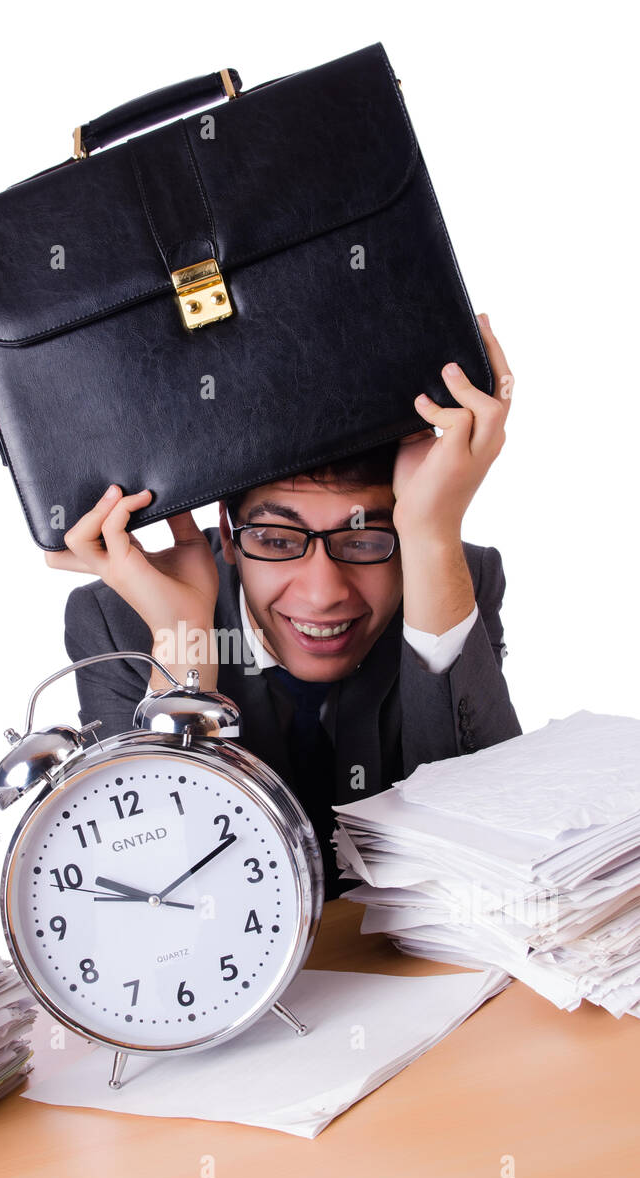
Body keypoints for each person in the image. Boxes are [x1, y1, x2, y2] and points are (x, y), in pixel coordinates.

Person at [46, 314, 521, 897]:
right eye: (275, 539)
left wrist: (431, 539)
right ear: (227, 531)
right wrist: (184, 642)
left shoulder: (448, 571)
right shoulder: (119, 623)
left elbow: (501, 851)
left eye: (365, 539)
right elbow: (154, 890)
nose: (323, 593)